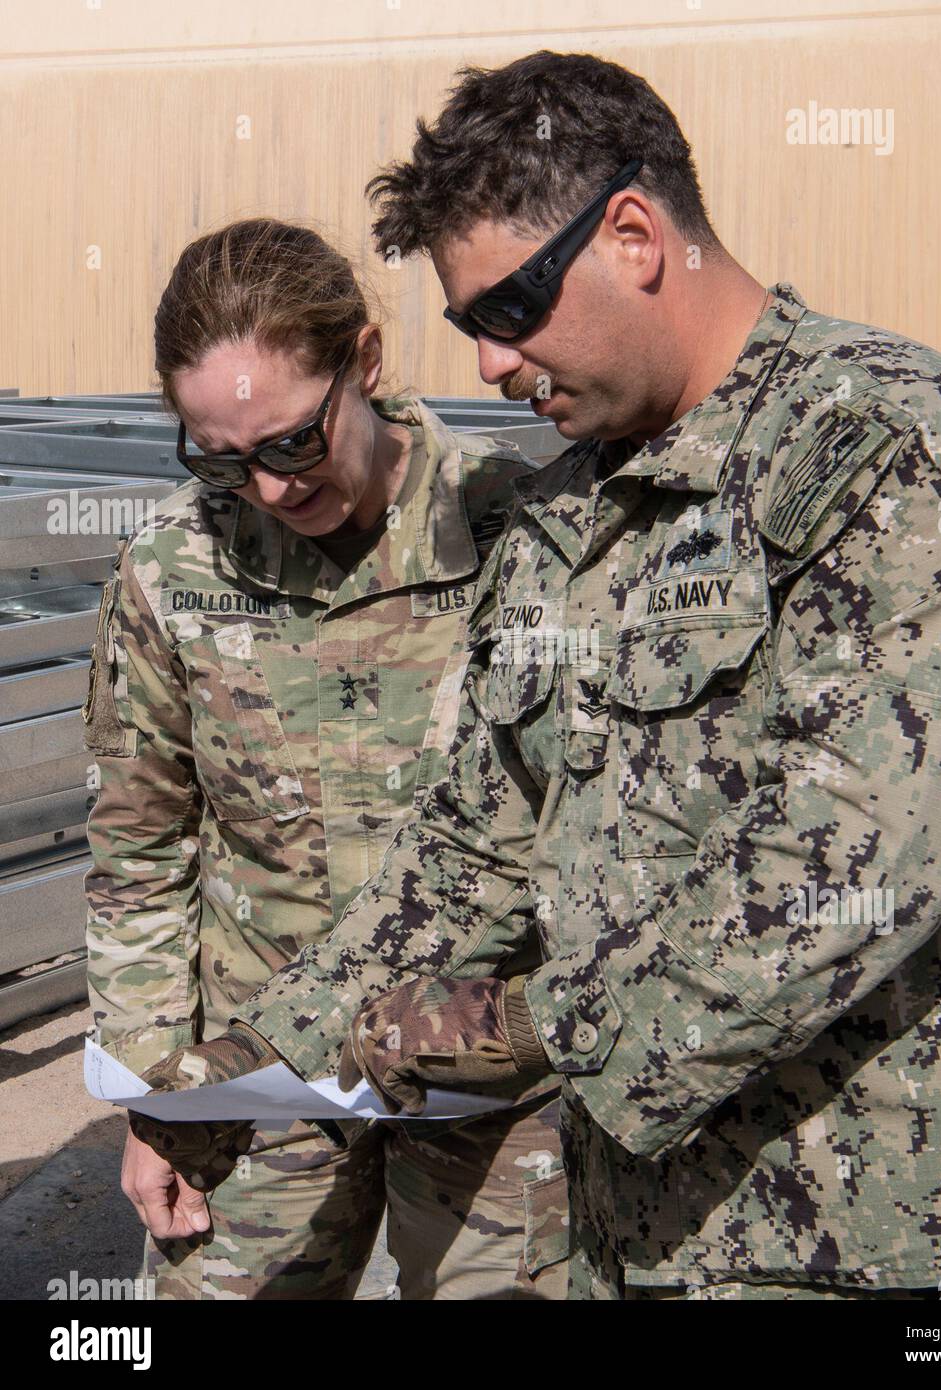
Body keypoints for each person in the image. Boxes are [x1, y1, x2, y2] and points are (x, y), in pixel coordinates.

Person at [132, 54, 941, 1300]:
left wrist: (535, 1026)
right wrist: (254, 1060)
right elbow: (475, 846)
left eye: (506, 310)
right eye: (470, 325)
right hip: (641, 1243)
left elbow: (859, 853)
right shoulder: (565, 520)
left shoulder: (908, 456)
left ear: (633, 234)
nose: (486, 364)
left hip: (904, 1248)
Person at [83, 216, 568, 1300]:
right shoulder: (174, 564)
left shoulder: (514, 534)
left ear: (365, 361)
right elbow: (139, 847)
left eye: (294, 441)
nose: (266, 488)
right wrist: (157, 1096)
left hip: (482, 1081)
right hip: (258, 1081)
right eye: (220, 455)